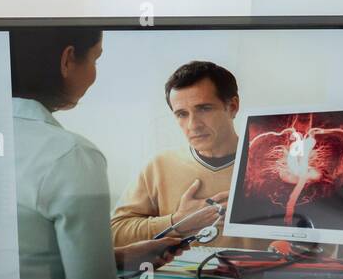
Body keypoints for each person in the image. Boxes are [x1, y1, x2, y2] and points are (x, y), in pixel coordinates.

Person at [9, 28, 182, 279]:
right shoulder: (71, 154)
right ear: (67, 60)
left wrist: (117, 257)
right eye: (95, 59)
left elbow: (27, 257)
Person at [110, 60, 266, 253]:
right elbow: (114, 234)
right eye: (182, 114)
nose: (193, 125)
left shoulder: (274, 167)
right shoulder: (158, 166)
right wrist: (177, 221)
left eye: (204, 109)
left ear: (232, 106)